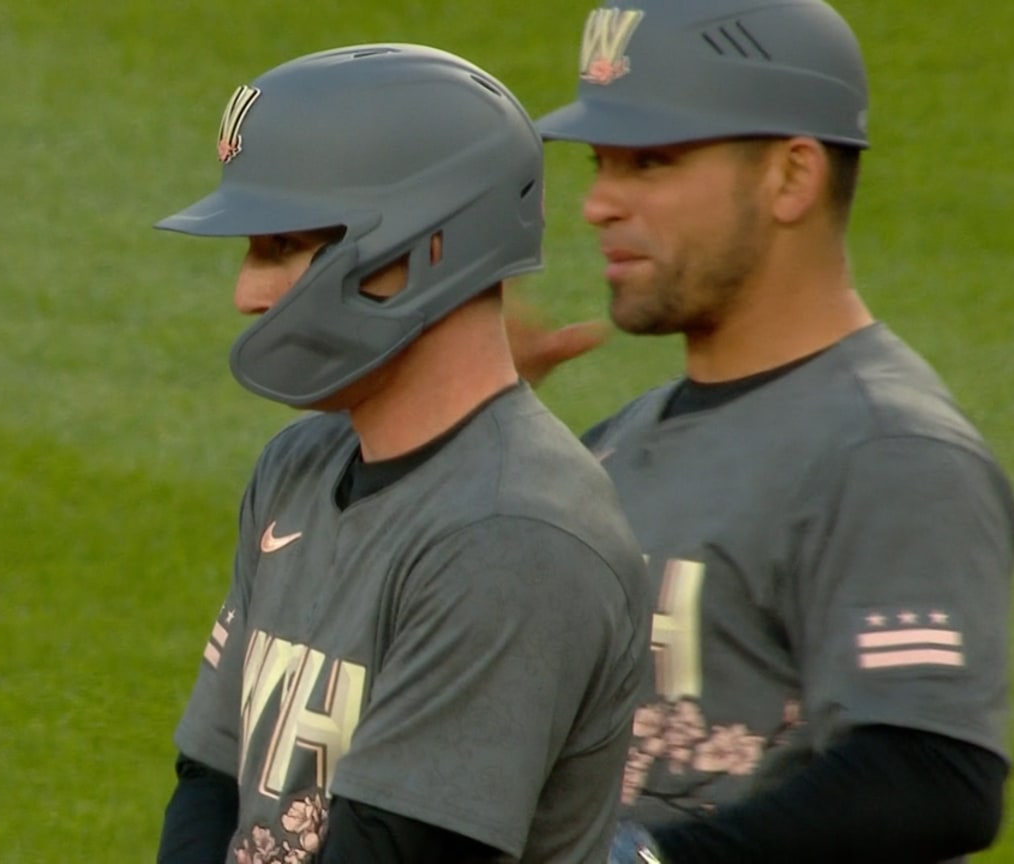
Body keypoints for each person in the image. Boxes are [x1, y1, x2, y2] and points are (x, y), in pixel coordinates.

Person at [508, 2, 1014, 862]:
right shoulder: (616, 444)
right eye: (602, 164)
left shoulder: (888, 453)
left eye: (652, 162)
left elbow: (932, 774)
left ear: (791, 177)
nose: (598, 203)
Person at [152, 44, 652, 864]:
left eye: (281, 247)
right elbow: (210, 776)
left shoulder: (513, 537)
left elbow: (400, 847)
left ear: (422, 249)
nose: (247, 293)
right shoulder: (299, 467)